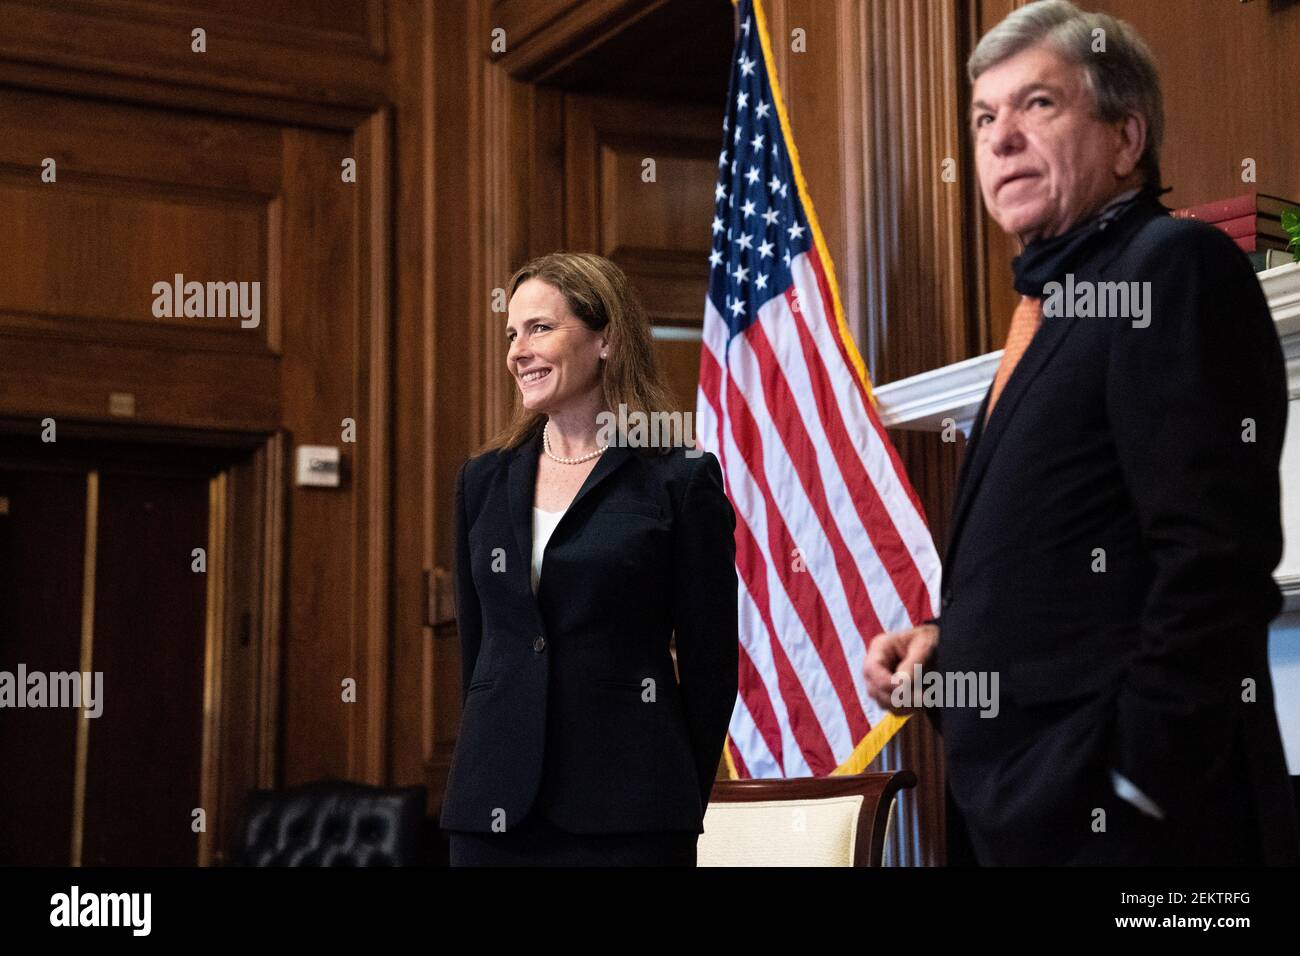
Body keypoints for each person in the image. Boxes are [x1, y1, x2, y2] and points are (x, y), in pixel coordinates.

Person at [864, 0, 1300, 865]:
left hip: (1136, 831)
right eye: (984, 117)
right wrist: (949, 652)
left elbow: (1215, 559)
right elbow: (1069, 576)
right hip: (1021, 814)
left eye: (1037, 105)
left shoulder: (1173, 267)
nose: (999, 138)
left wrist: (1133, 780)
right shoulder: (1048, 312)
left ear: (1126, 137)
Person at [439, 251, 739, 865]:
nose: (517, 350)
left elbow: (712, 666)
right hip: (493, 811)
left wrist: (675, 794)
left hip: (631, 812)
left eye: (540, 328)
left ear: (605, 339)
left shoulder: (678, 478)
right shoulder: (482, 482)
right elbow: (482, 652)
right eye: (511, 334)